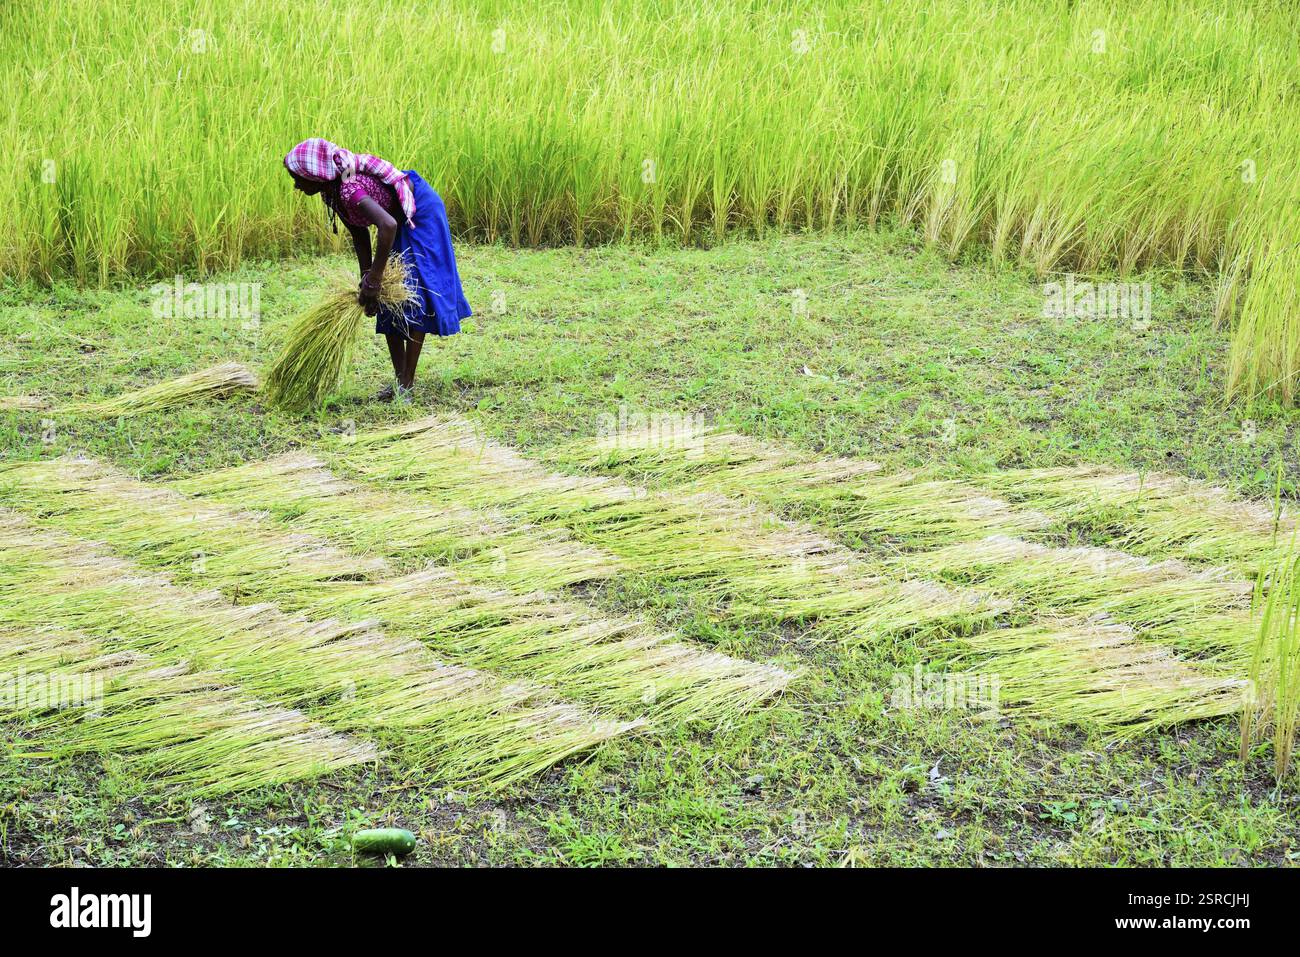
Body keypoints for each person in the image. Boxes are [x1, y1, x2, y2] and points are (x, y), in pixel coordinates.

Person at [284, 138, 472, 401]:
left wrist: (376, 276)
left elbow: (388, 226)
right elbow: (359, 233)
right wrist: (367, 279)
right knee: (386, 299)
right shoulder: (331, 192)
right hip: (393, 220)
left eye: (298, 178)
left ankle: (407, 383)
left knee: (415, 293)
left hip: (418, 211)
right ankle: (399, 380)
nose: (296, 185)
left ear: (316, 175)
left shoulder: (349, 190)